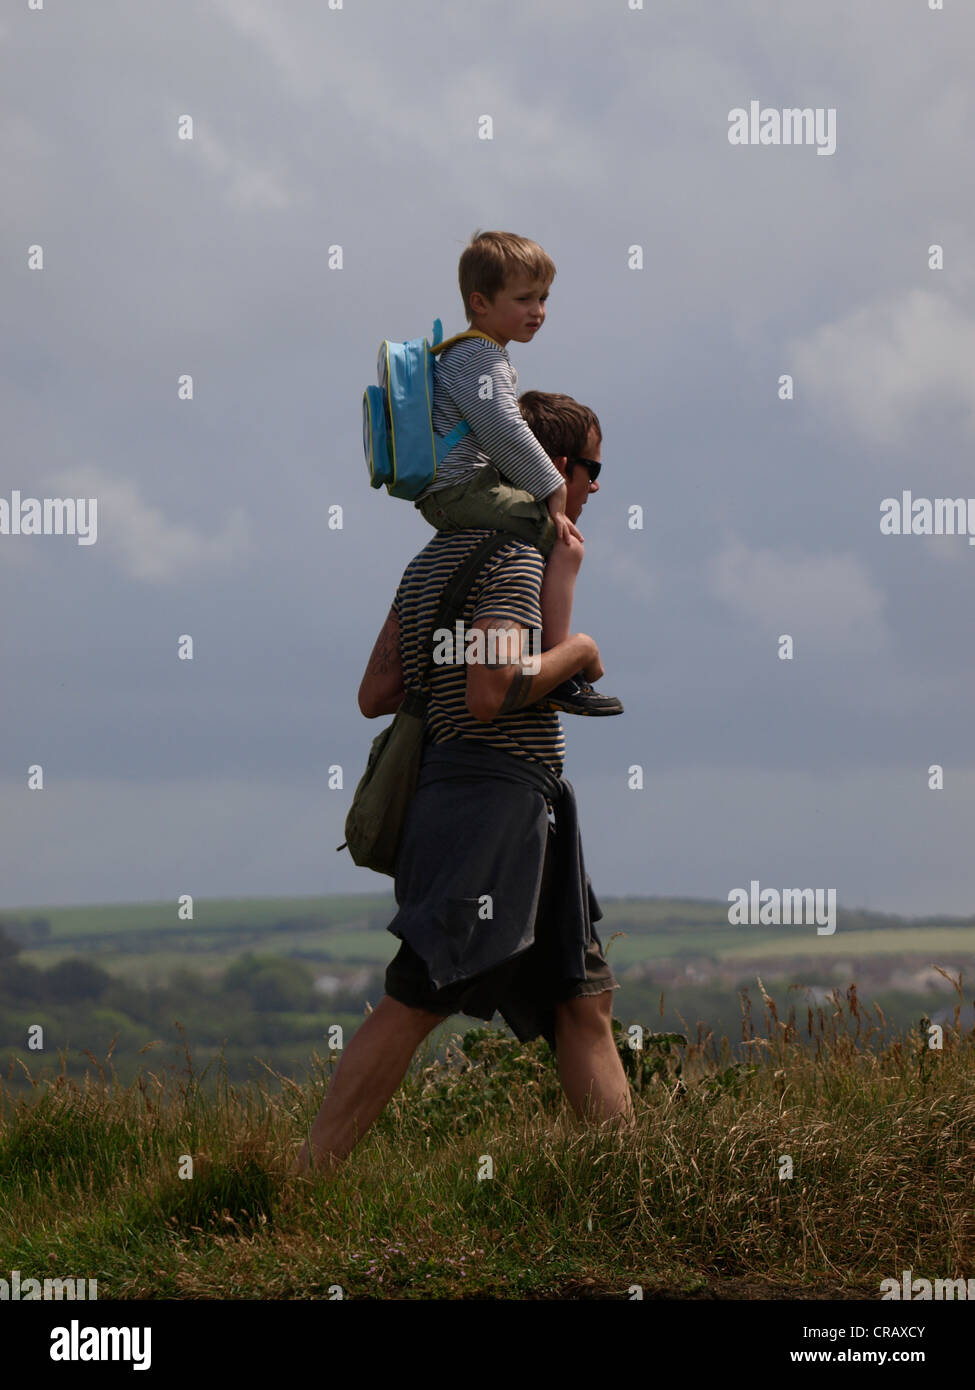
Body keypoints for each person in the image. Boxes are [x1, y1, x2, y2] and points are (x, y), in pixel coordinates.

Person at [292, 391, 634, 1178]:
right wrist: (577, 650)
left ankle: (628, 1183)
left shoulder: (430, 561)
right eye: (590, 467)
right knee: (418, 993)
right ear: (548, 467)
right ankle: (306, 1178)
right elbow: (492, 688)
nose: (593, 486)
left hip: (485, 797)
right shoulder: (515, 559)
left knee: (582, 998)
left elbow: (376, 692)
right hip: (494, 797)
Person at [414, 228, 621, 717]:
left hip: (457, 489)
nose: (538, 311)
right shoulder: (479, 355)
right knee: (564, 542)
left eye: (544, 297)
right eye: (524, 298)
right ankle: (558, 665)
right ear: (480, 302)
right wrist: (551, 491)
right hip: (462, 488)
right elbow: (505, 430)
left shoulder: (473, 352)